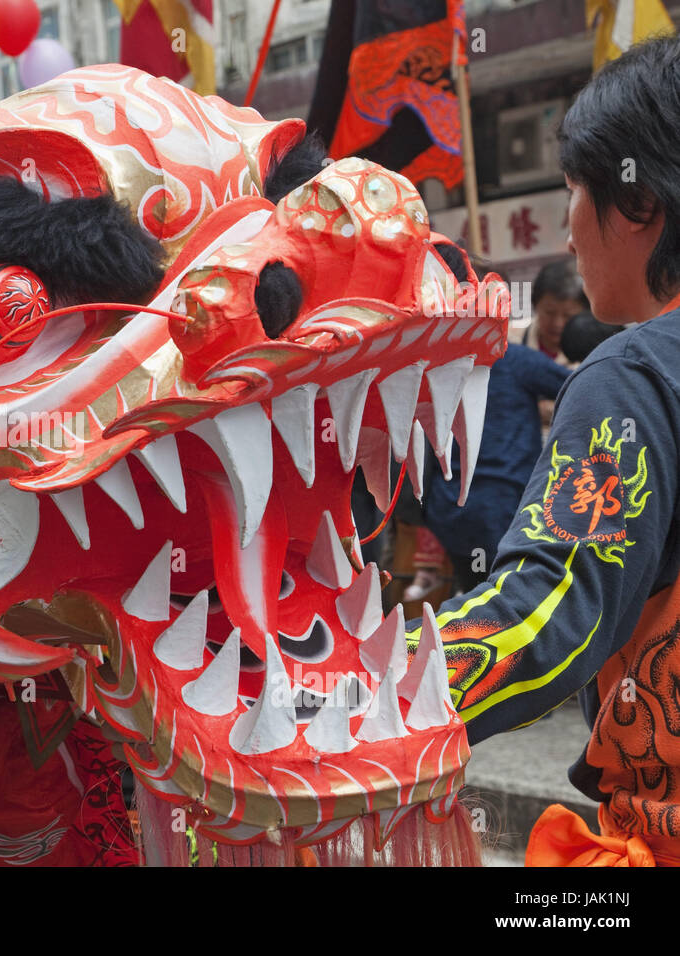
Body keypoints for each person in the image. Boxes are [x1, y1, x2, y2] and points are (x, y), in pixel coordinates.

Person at [411, 35, 680, 866]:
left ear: (637, 203)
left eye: (571, 192)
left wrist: (355, 688)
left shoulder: (634, 375)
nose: (567, 234)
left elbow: (548, 606)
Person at [421, 341, 572, 593]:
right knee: (508, 594)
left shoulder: (436, 360)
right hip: (508, 503)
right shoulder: (515, 359)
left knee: (475, 590)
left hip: (451, 505)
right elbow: (579, 387)